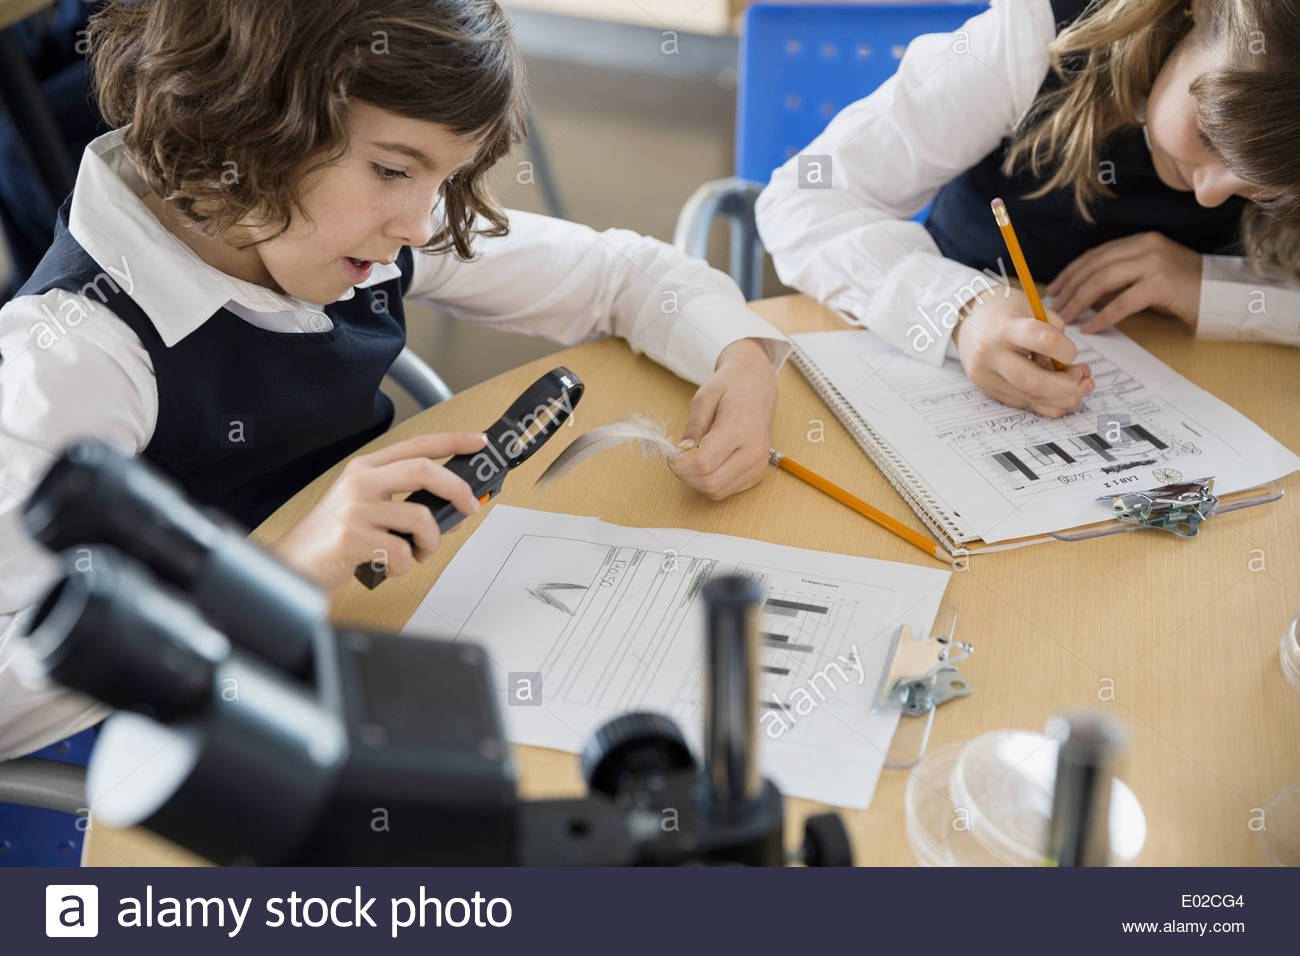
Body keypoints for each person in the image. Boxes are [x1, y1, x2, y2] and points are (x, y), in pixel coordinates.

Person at [0, 0, 791, 760]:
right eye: (391, 169)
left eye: (443, 178)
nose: (419, 225)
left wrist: (742, 356)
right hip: (180, 740)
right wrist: (280, 574)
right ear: (245, 120)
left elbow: (619, 275)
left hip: (373, 626)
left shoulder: (335, 221)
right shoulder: (78, 356)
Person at [757, 0, 1300, 419]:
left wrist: (1214, 286)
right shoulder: (1033, 42)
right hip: (947, 384)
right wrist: (960, 312)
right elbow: (802, 198)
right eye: (1209, 134)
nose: (1209, 193)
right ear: (1202, 8)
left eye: (1270, 188)